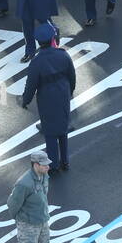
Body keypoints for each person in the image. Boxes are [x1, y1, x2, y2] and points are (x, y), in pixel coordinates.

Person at [22, 23, 76, 172]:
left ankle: (53, 164)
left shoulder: (36, 62)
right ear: (53, 38)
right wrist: (69, 92)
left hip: (46, 100)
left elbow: (30, 86)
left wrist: (25, 101)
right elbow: (72, 76)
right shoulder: (63, 55)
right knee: (63, 129)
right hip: (63, 95)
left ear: (39, 42)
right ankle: (65, 161)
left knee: (50, 133)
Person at [7, 151, 52, 243]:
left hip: (43, 221)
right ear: (36, 165)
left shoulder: (44, 176)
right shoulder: (24, 184)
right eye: (44, 164)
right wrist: (22, 222)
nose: (48, 167)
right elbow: (12, 204)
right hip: (28, 225)